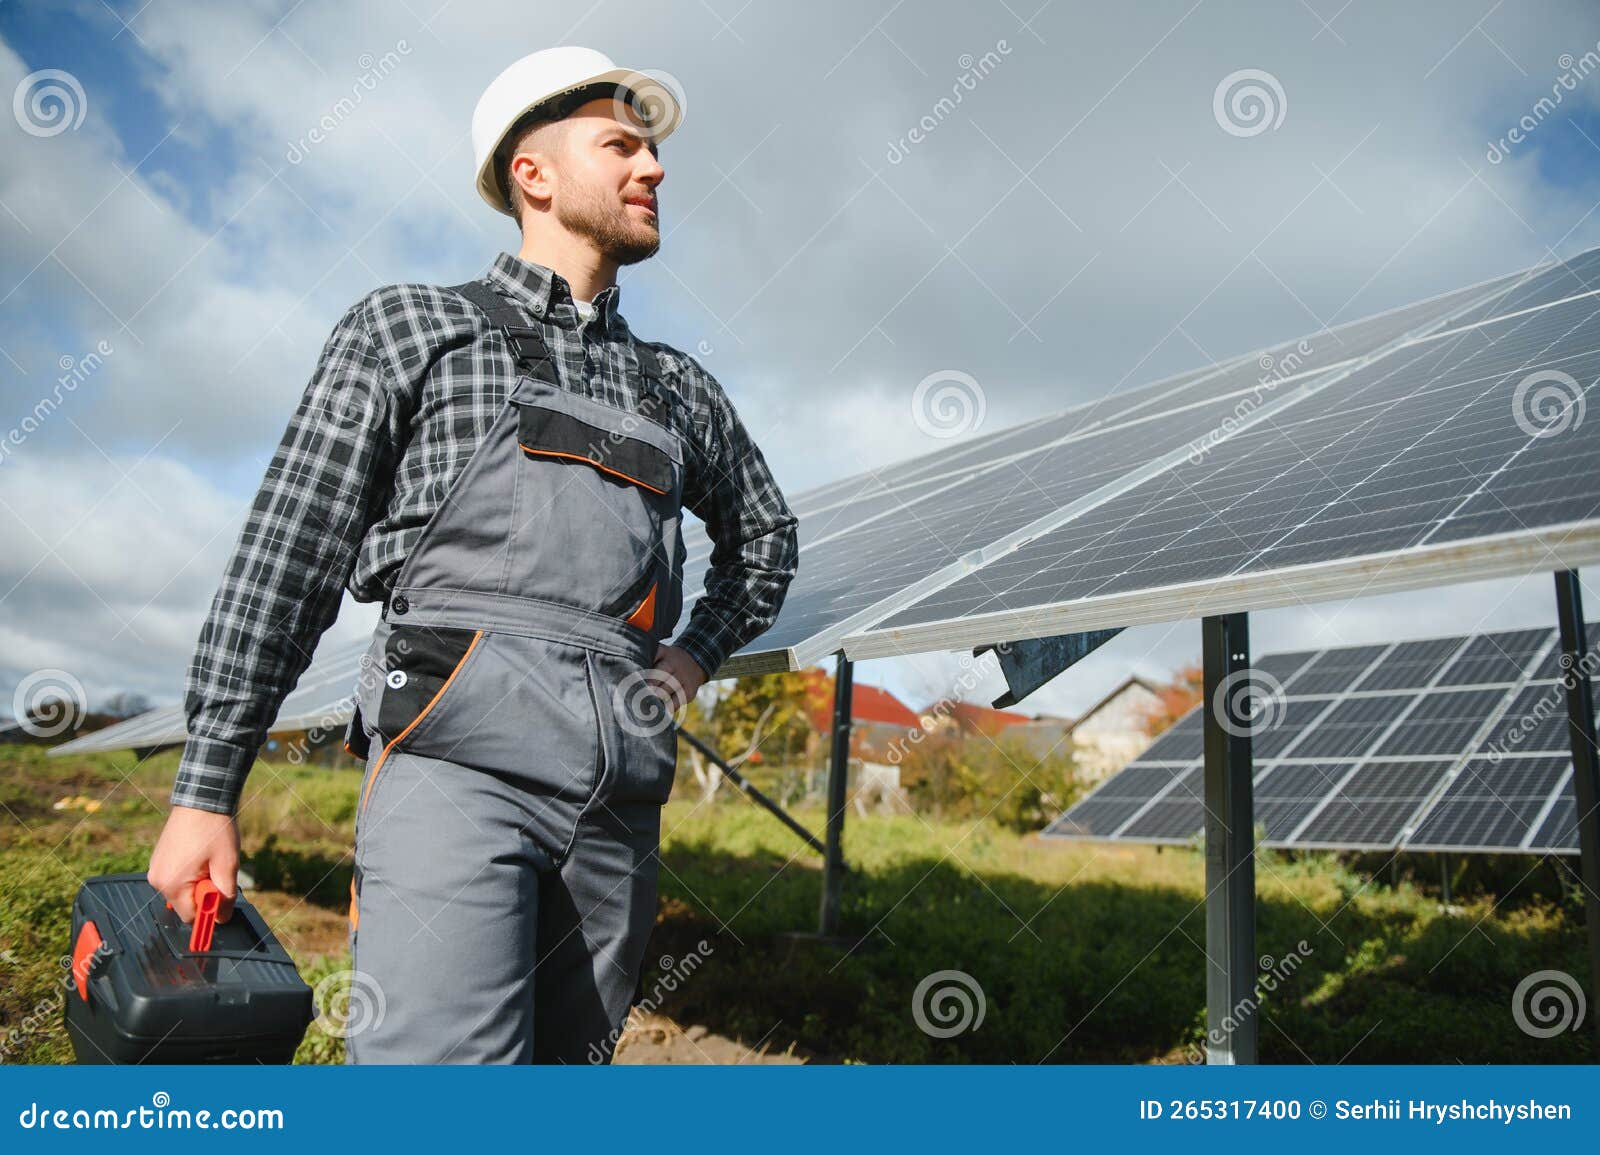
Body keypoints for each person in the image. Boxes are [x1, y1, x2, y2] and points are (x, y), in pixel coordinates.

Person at [146, 46, 799, 1063]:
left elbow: (766, 542)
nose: (655, 168)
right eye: (620, 145)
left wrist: (687, 660)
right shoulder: (415, 328)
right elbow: (290, 556)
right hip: (455, 770)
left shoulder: (679, 388)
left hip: (616, 802)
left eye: (654, 150)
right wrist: (206, 789)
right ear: (532, 173)